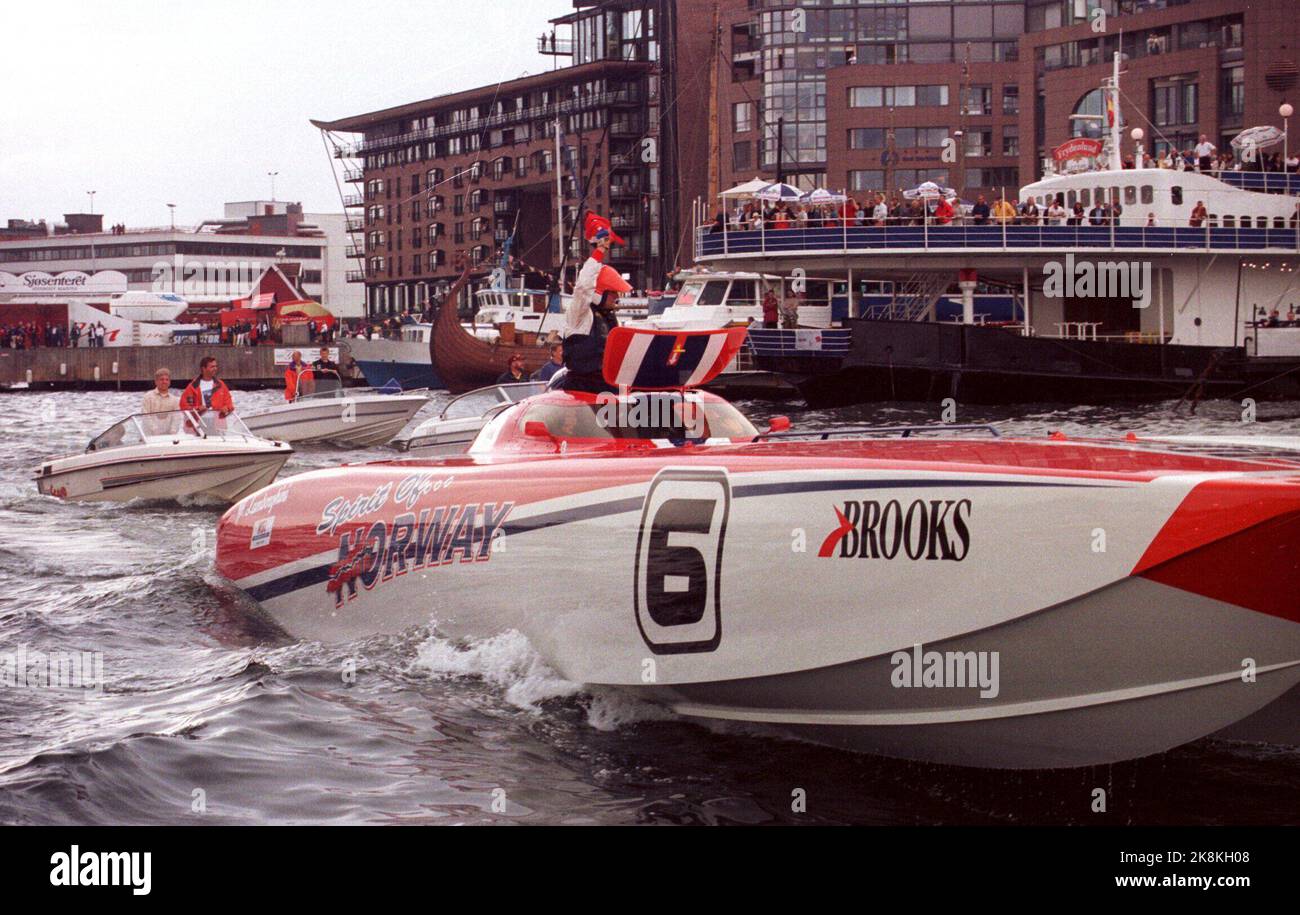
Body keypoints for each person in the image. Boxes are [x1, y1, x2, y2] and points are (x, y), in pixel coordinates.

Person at [558, 214, 633, 394]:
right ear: (600, 292)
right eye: (613, 292)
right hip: (582, 385)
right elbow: (583, 287)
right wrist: (599, 252)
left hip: (606, 382)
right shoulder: (580, 314)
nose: (616, 296)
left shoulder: (609, 317)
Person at [179, 356, 235, 423]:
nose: (215, 368)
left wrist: (226, 408)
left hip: (218, 423)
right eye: (212, 367)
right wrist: (198, 408)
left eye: (216, 366)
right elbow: (184, 406)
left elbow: (229, 403)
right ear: (203, 368)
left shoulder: (221, 385)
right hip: (200, 424)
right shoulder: (193, 386)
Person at [141, 368, 181, 435]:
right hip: (149, 437)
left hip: (169, 437)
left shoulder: (175, 400)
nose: (164, 382)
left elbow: (176, 418)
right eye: (161, 379)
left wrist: (173, 432)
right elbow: (145, 416)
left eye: (167, 380)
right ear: (156, 381)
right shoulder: (147, 397)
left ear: (169, 382)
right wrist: (155, 431)